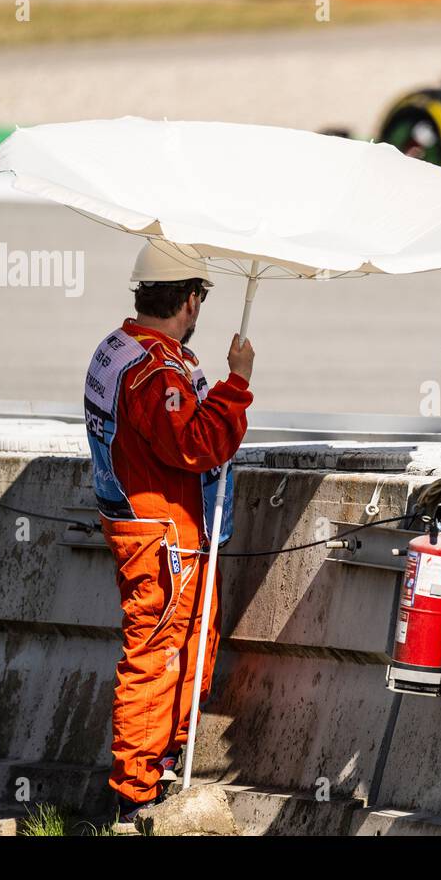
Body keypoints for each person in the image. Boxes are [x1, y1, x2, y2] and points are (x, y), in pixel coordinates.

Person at [83, 240, 254, 831]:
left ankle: (160, 766)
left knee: (191, 649)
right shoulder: (156, 370)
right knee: (158, 659)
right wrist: (237, 384)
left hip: (145, 523)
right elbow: (195, 446)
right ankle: (136, 794)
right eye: (200, 297)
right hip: (163, 533)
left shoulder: (114, 350)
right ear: (188, 299)